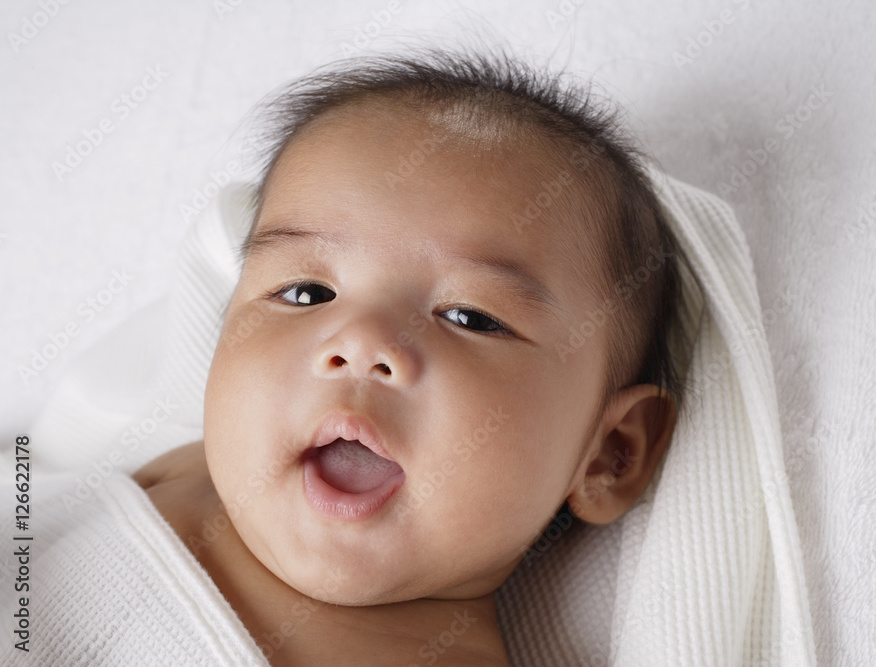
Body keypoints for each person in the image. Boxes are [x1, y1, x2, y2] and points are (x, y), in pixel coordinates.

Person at [12, 50, 691, 666]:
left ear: (610, 455)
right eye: (307, 292)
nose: (361, 341)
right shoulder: (180, 467)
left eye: (470, 317)